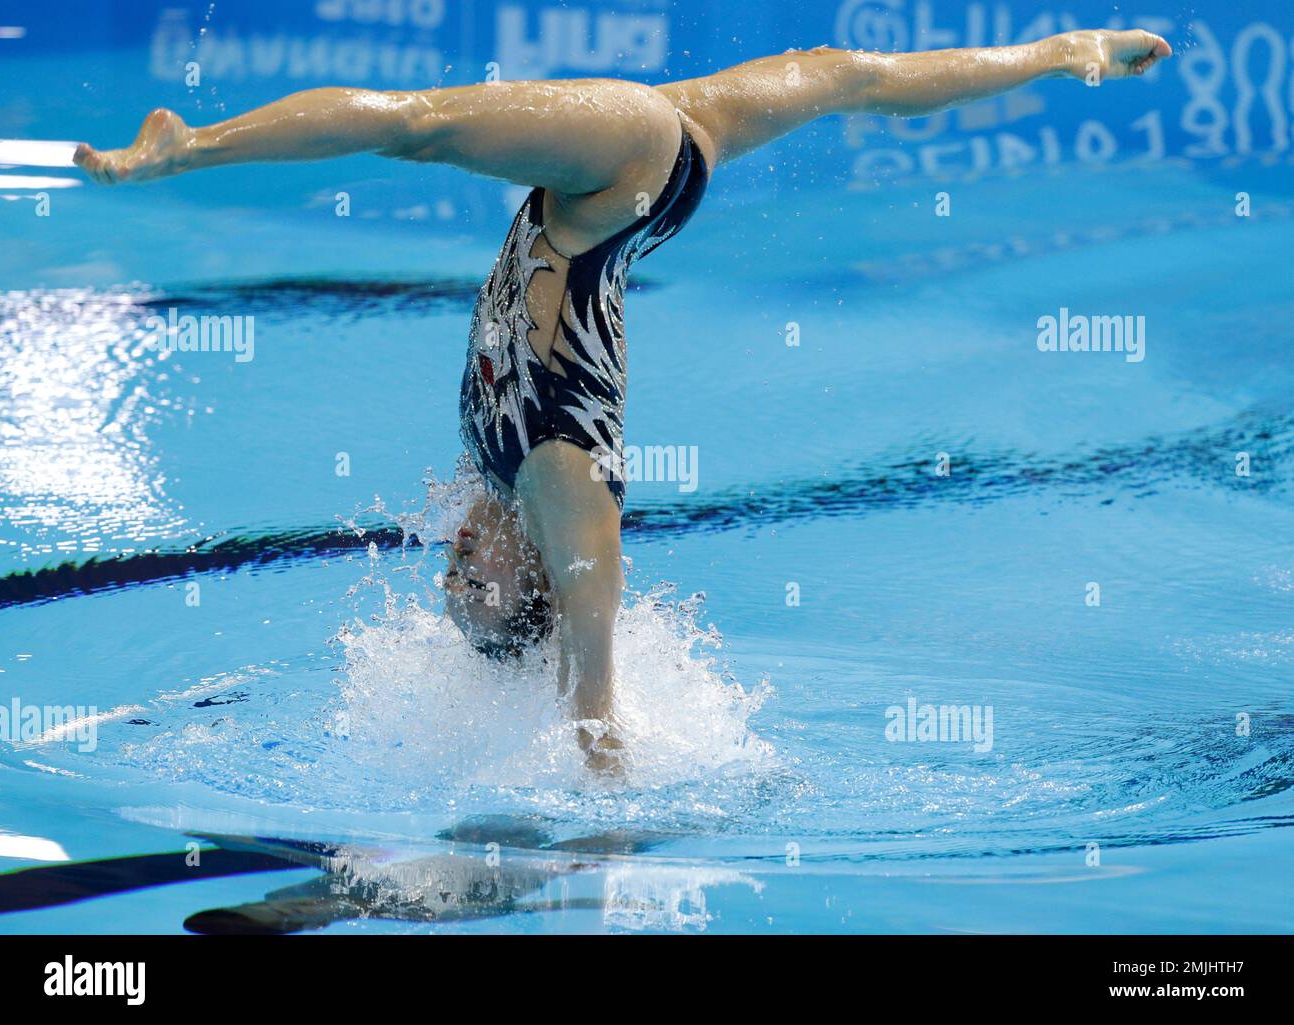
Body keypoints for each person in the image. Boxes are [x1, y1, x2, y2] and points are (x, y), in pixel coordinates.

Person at [75, 29, 1173, 770]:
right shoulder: (563, 486)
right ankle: (181, 155)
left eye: (450, 567)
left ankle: (1060, 48)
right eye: (476, 577)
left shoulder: (491, 468)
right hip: (625, 181)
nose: (456, 553)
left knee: (852, 76)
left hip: (639, 185)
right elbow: (594, 696)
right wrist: (596, 807)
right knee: (419, 126)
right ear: (535, 575)